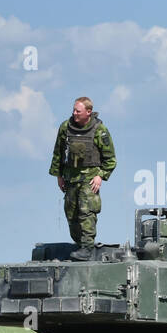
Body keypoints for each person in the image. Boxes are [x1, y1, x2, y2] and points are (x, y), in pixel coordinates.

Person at [49, 96, 116, 261]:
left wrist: (101, 176)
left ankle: (87, 248)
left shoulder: (100, 131)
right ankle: (80, 245)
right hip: (71, 178)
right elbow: (58, 152)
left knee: (86, 213)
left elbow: (110, 159)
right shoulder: (66, 127)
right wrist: (58, 175)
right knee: (71, 214)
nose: (74, 113)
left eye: (78, 111)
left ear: (88, 112)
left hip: (90, 179)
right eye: (73, 110)